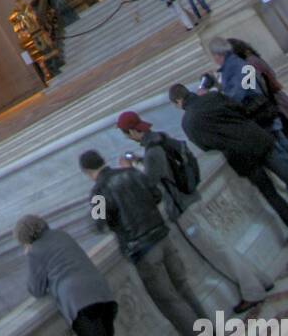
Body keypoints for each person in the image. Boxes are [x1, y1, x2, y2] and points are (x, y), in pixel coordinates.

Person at [115, 109, 270, 314]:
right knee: (221, 247)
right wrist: (139, 162)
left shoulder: (153, 152)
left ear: (132, 132)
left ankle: (252, 292)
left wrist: (129, 170)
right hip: (191, 198)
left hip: (183, 208)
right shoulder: (162, 139)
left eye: (126, 133)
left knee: (218, 252)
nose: (127, 137)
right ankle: (261, 280)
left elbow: (151, 187)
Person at [79, 148, 205, 336]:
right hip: (163, 236)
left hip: (142, 250)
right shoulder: (131, 172)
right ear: (103, 159)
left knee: (169, 301)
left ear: (87, 172)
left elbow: (98, 224)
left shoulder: (98, 191)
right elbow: (157, 195)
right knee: (183, 287)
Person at [169, 82, 288, 231]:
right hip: (257, 141)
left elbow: (206, 147)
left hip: (241, 159)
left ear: (178, 101)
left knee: (271, 195)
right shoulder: (213, 97)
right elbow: (241, 109)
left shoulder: (187, 123)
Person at [15, 213, 118, 336]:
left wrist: (28, 252)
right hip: (101, 292)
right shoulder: (61, 234)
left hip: (79, 302)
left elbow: (36, 289)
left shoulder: (35, 251)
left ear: (23, 239)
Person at [211, 36, 288, 154]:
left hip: (261, 111)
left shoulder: (238, 66)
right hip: (264, 108)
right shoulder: (240, 64)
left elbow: (241, 92)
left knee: (280, 145)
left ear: (219, 54)